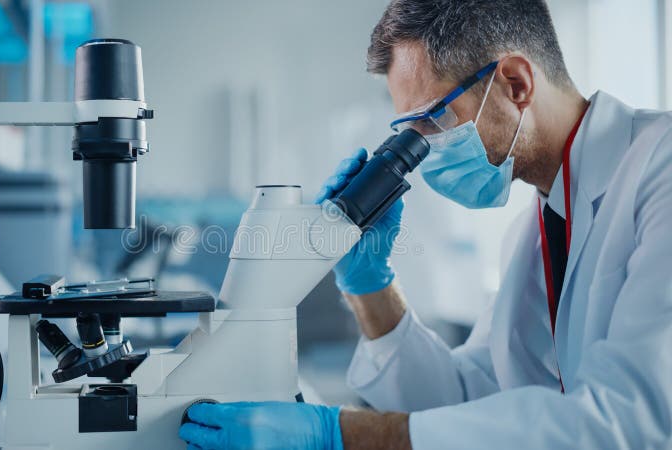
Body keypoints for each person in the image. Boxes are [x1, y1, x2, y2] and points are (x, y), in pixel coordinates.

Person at [179, 0, 672, 448]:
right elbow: (463, 402)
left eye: (433, 121)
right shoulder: (537, 229)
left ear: (516, 84)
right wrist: (368, 282)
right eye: (410, 133)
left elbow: (632, 420)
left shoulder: (661, 169)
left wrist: (339, 435)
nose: (426, 153)